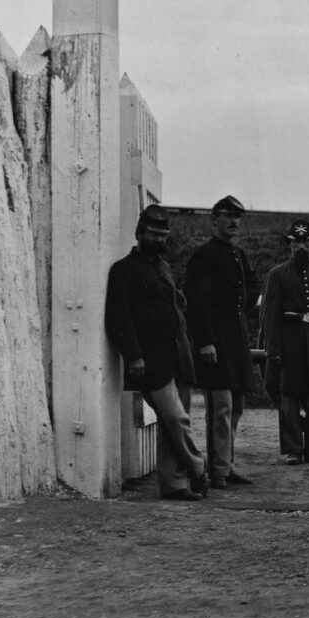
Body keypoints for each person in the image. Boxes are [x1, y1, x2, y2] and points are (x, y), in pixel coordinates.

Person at [104, 204, 209, 500]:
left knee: (169, 424)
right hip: (151, 360)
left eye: (163, 235)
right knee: (176, 419)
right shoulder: (123, 270)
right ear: (139, 233)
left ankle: (173, 484)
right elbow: (119, 318)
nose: (159, 240)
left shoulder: (163, 267)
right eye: (153, 234)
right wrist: (133, 355)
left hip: (179, 355)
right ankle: (199, 469)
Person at [183, 195, 261, 489]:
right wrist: (205, 341)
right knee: (221, 408)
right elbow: (197, 303)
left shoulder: (238, 255)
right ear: (214, 220)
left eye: (237, 217)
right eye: (227, 216)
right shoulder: (205, 255)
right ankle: (217, 471)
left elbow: (251, 288)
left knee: (237, 406)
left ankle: (225, 465)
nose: (233, 222)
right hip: (215, 342)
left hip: (236, 341)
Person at [258, 219, 309, 465]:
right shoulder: (277, 275)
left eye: (305, 242)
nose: (301, 247)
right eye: (296, 243)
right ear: (289, 245)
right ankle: (294, 450)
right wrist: (273, 349)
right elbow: (269, 316)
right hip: (289, 343)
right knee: (289, 399)